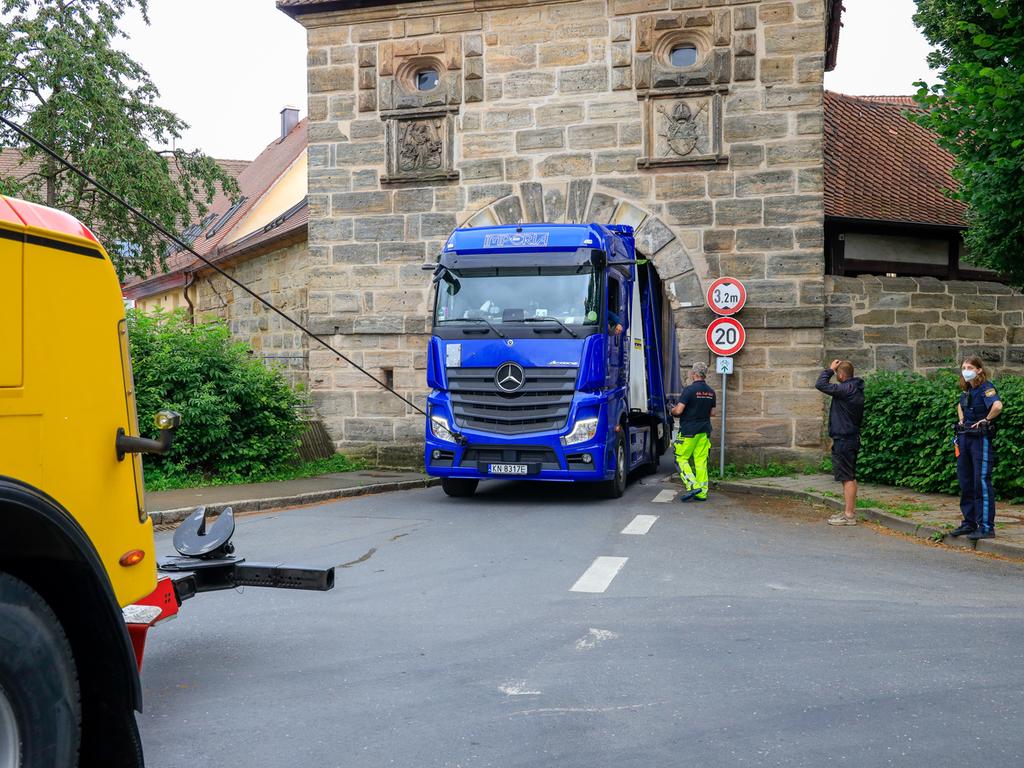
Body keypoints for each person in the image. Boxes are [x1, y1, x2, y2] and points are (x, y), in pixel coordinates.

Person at [951, 356, 1003, 540]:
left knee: (981, 482)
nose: (966, 370)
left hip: (980, 440)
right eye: (964, 367)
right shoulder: (967, 390)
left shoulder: (985, 388)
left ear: (979, 370)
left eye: (970, 367)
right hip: (965, 438)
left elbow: (997, 406)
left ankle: (986, 527)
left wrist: (986, 420)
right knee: (966, 482)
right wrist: (961, 419)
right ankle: (969, 523)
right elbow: (960, 405)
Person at [815, 359, 865, 525]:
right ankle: (849, 511)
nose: (836, 376)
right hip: (850, 438)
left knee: (847, 477)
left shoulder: (845, 389)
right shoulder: (855, 388)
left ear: (842, 375)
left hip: (845, 439)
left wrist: (829, 370)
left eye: (837, 374)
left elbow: (821, 384)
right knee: (849, 475)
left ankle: (849, 515)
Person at [672, 361, 717, 502]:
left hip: (689, 431)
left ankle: (692, 485)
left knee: (680, 458)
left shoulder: (689, 390)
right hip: (704, 431)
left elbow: (678, 410)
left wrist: (671, 410)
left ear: (694, 374)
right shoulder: (711, 392)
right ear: (704, 375)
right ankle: (702, 493)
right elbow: (713, 413)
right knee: (701, 461)